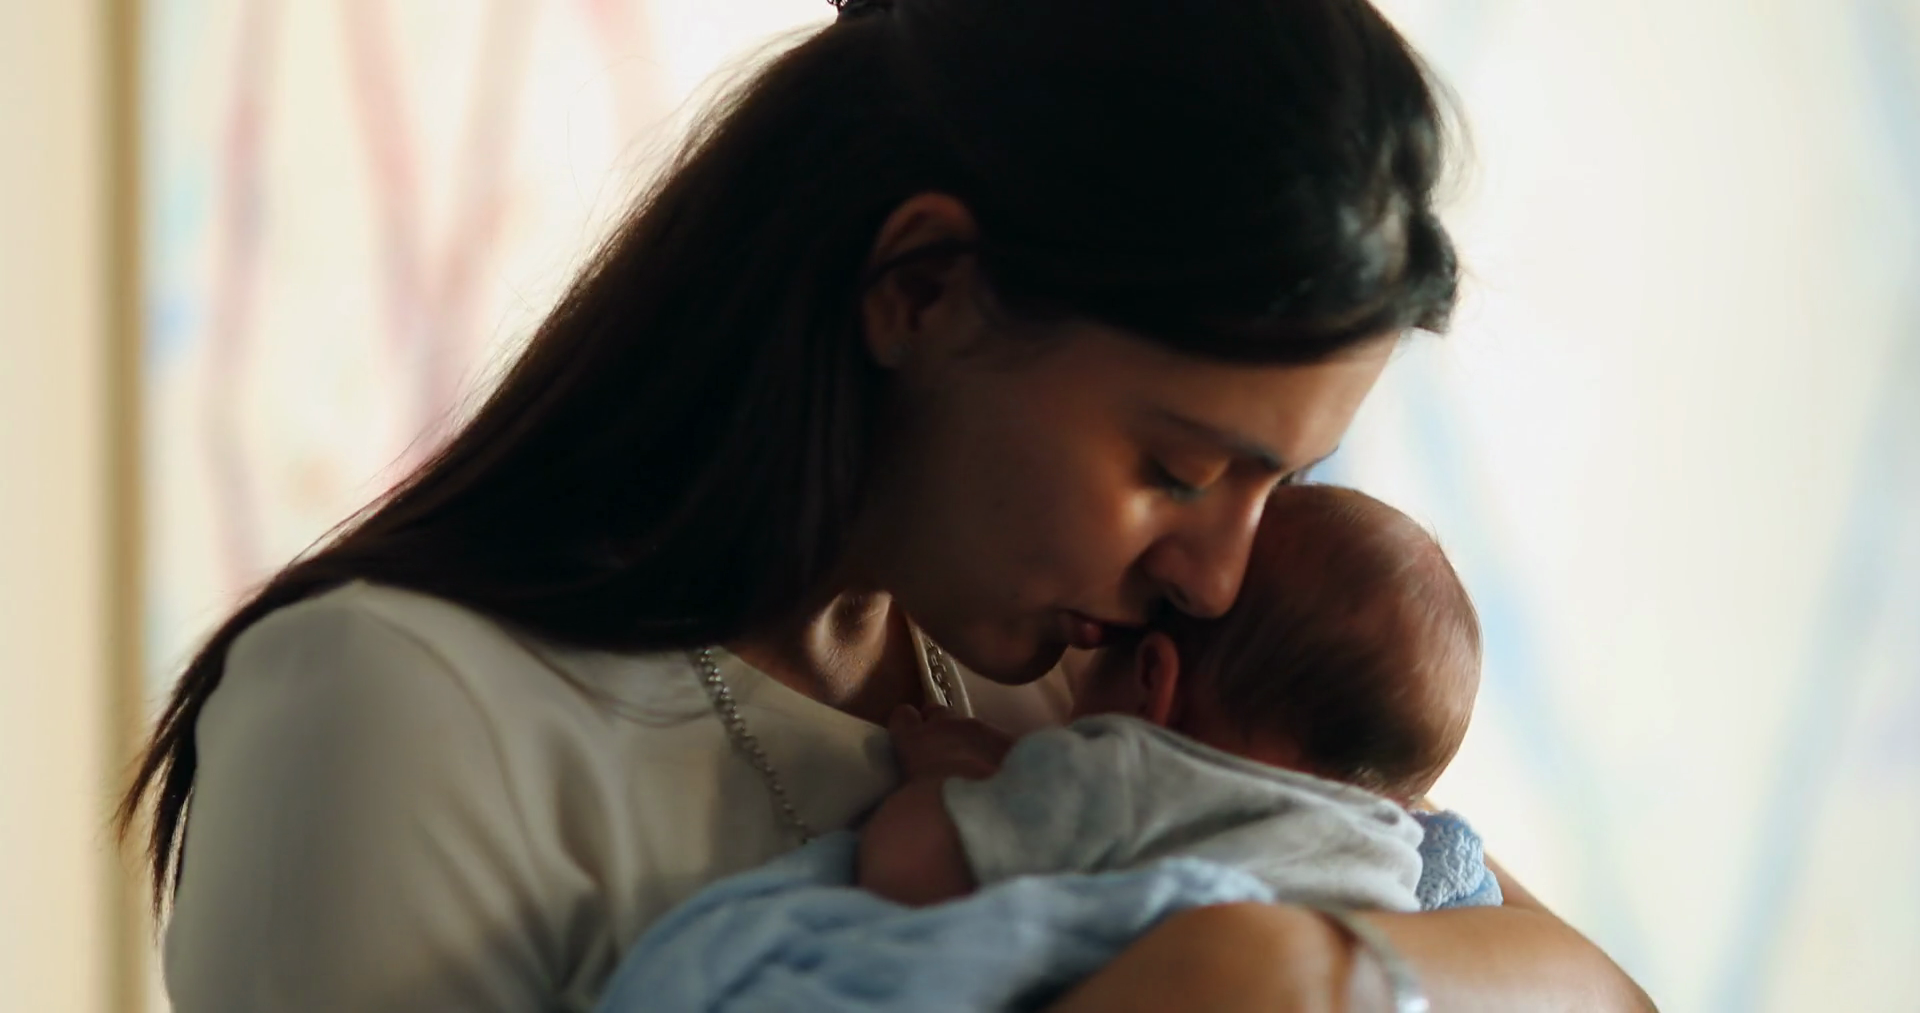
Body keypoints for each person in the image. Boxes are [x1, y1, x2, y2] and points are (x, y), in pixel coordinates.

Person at [121, 0, 1655, 1009]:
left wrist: (1280, 968)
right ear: (920, 289)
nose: (1215, 572)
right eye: (1177, 469)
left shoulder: (1097, 702)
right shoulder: (405, 711)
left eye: (1278, 484)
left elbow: (1596, 991)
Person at [858, 483, 1499, 913]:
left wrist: (955, 781)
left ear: (1148, 684)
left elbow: (905, 865)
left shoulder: (1130, 782)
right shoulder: (1401, 865)